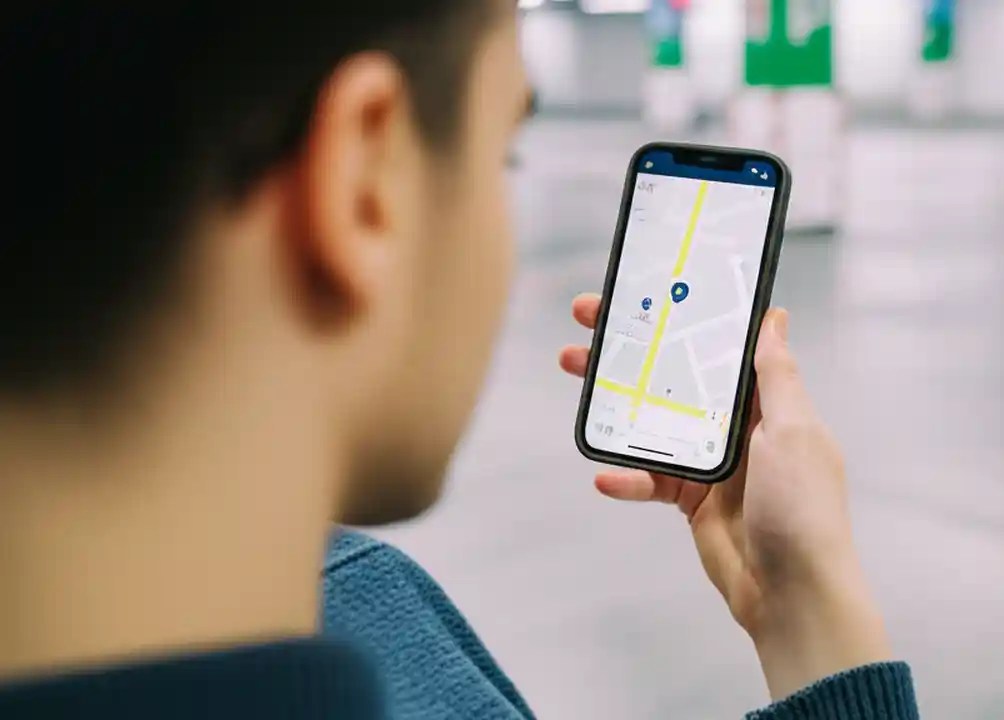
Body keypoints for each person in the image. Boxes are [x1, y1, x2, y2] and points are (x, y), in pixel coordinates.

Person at [0, 3, 919, 720]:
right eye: (504, 155)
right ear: (363, 184)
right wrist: (826, 626)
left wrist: (794, 605)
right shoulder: (382, 618)